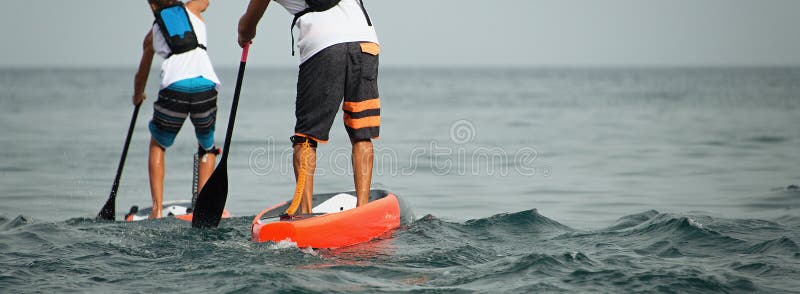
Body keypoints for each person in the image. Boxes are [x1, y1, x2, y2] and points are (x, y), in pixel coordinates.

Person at [238, 0, 381, 215]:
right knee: (362, 132)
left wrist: (245, 33)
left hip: (323, 45)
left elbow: (248, 24)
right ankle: (363, 209)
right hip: (366, 43)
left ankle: (305, 213)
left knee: (306, 137)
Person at [133, 0, 221, 219]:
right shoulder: (192, 8)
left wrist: (138, 95)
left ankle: (157, 209)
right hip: (205, 84)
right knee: (207, 146)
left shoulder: (153, 33)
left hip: (175, 86)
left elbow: (141, 75)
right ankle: (202, 207)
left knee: (158, 144)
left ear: (153, 6)